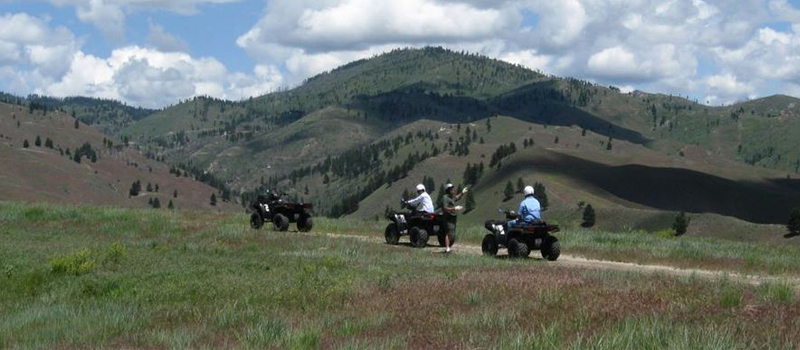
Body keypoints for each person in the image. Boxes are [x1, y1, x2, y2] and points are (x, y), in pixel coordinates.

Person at [442, 183, 468, 253]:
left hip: (453, 218)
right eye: (451, 189)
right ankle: (447, 248)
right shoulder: (445, 198)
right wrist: (454, 208)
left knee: (452, 233)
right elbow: (445, 208)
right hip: (448, 218)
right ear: (448, 190)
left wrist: (462, 193)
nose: (453, 190)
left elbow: (457, 197)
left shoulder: (451, 197)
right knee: (448, 233)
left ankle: (448, 247)